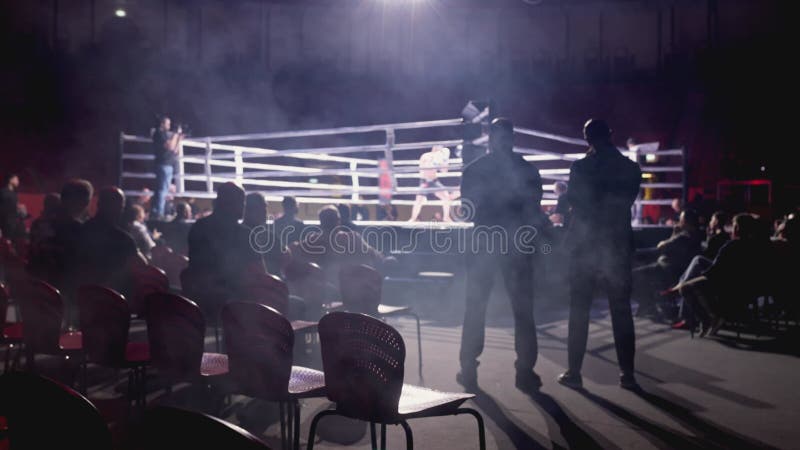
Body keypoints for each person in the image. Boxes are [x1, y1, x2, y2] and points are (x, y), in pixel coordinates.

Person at [457, 118, 544, 393]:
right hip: (516, 243)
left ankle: (468, 366)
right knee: (523, 308)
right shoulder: (527, 170)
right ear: (513, 137)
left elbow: (467, 209)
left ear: (490, 138)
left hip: (484, 240)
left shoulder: (475, 169)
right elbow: (534, 209)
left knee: (475, 305)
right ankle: (525, 370)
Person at [557, 119, 642, 391]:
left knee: (579, 310)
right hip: (616, 244)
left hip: (585, 245)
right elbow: (625, 201)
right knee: (621, 310)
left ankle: (574, 371)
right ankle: (627, 374)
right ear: (610, 134)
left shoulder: (581, 167)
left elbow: (574, 201)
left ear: (587, 139)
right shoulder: (630, 168)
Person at [677, 213, 770, 336]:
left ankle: (709, 317)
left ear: (737, 228)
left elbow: (714, 272)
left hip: (726, 285)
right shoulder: (757, 246)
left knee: (685, 287)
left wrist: (697, 278)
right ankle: (710, 317)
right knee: (697, 262)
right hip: (750, 286)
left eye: (734, 226)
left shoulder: (731, 246)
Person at [183, 182, 264, 318]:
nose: (244, 207)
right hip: (235, 305)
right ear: (233, 204)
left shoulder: (198, 226)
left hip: (198, 300)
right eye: (242, 202)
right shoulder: (244, 234)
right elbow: (260, 273)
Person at [292, 205, 388, 289]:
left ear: (321, 223)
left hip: (319, 293)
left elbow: (292, 252)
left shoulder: (311, 242)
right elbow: (376, 256)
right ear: (338, 221)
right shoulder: (352, 238)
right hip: (352, 292)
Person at [666, 210, 730, 329]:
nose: (710, 221)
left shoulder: (718, 237)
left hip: (712, 271)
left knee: (692, 271)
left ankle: (686, 316)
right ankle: (685, 315)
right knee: (688, 279)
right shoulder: (719, 236)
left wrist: (709, 238)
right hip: (712, 268)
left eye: (712, 219)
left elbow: (706, 254)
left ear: (716, 222)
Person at [633, 209, 702, 317]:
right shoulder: (694, 235)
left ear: (685, 221)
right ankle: (647, 305)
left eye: (681, 219)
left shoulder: (684, 237)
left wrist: (636, 253)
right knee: (643, 271)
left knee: (634, 275)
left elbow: (662, 246)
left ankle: (648, 305)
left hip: (667, 270)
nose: (679, 221)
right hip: (671, 268)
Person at [79, 187, 146, 296]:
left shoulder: (80, 231)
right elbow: (142, 265)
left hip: (82, 298)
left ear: (99, 204)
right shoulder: (123, 239)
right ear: (120, 208)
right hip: (114, 301)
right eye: (121, 207)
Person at [409, 146, 454, 222]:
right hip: (425, 181)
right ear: (434, 148)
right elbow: (422, 168)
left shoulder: (439, 158)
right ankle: (413, 218)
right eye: (438, 148)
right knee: (418, 201)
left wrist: (445, 160)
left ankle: (446, 217)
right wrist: (433, 162)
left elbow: (444, 171)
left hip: (434, 181)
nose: (439, 150)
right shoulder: (425, 155)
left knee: (446, 197)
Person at [151, 115, 184, 219]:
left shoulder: (164, 134)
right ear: (162, 124)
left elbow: (175, 150)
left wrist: (178, 138)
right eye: (167, 123)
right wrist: (175, 135)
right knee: (162, 190)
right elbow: (169, 146)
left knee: (162, 190)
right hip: (163, 164)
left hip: (167, 164)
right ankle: (158, 213)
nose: (169, 126)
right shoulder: (159, 133)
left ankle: (157, 212)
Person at [243, 192, 282, 275]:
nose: (264, 212)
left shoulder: (270, 237)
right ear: (247, 210)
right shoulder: (238, 235)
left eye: (264, 208)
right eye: (259, 208)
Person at [0, 174, 26, 241]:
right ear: (10, 180)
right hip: (6, 222)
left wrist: (20, 207)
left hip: (14, 223)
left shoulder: (14, 194)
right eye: (16, 179)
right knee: (6, 242)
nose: (18, 181)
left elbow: (14, 206)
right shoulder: (2, 192)